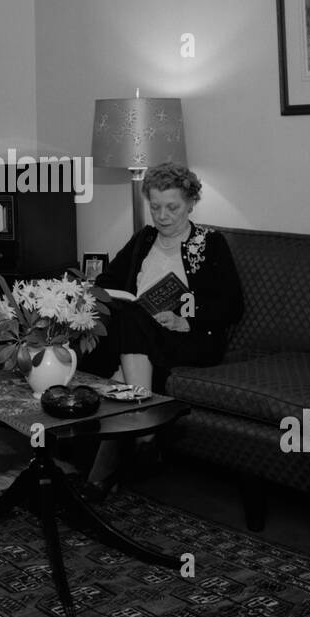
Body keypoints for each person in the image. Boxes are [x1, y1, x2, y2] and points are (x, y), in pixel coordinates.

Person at [79, 161, 244, 497]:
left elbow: (232, 306)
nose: (163, 216)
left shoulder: (210, 243)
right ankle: (133, 448)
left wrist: (186, 319)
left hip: (192, 338)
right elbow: (110, 282)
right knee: (123, 330)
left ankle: (118, 456)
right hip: (138, 334)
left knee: (125, 337)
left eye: (172, 207)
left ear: (191, 203)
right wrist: (99, 294)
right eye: (155, 207)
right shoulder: (145, 238)